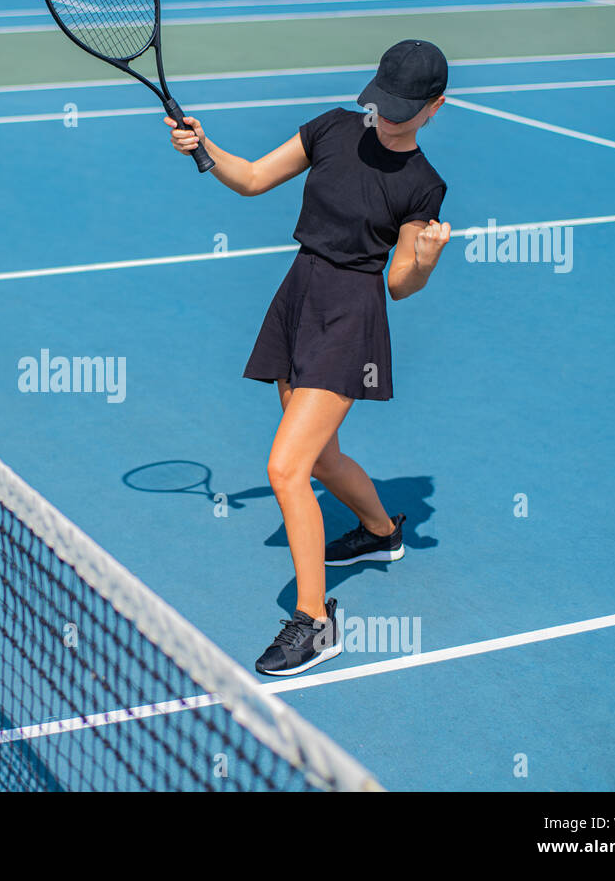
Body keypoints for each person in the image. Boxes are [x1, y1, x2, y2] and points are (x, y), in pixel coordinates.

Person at [165, 39, 452, 676]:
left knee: (286, 469)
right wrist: (204, 149)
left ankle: (316, 622)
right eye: (383, 102)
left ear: (435, 107)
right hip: (299, 294)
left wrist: (426, 260)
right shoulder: (330, 128)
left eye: (405, 108)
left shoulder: (423, 186)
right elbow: (255, 179)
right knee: (320, 456)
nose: (388, 116)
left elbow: (400, 281)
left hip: (352, 315)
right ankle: (381, 532)